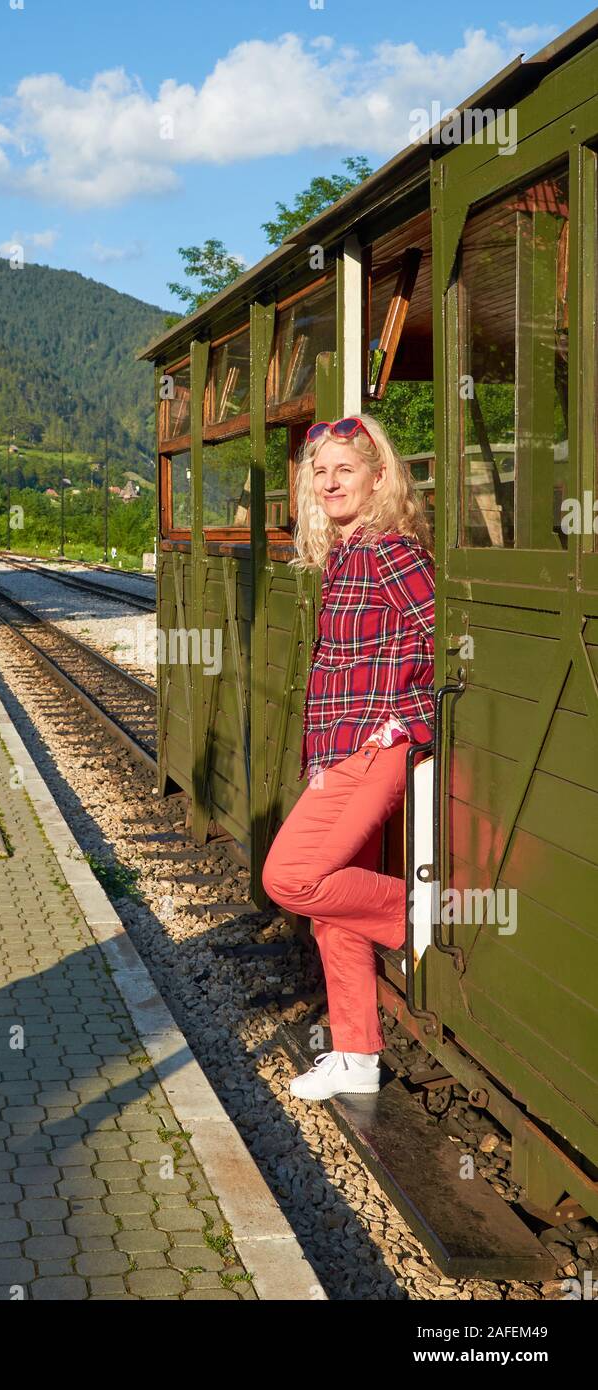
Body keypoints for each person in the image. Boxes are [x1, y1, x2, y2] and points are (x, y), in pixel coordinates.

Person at [261, 414, 434, 1101]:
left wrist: (404, 720)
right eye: (320, 472)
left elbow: (445, 635)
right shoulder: (348, 551)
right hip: (340, 750)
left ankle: (425, 915)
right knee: (333, 906)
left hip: (374, 745)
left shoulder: (388, 549)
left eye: (346, 469)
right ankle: (357, 1055)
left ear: (379, 476)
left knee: (292, 878)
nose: (331, 482)